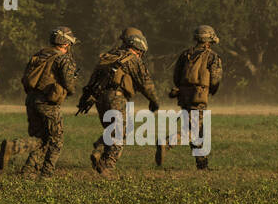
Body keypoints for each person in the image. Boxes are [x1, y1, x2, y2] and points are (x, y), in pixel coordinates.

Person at [0, 26, 79, 177]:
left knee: (41, 139)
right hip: (48, 103)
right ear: (66, 44)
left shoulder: (40, 54)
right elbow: (70, 85)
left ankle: (27, 169)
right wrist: (72, 83)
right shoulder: (63, 59)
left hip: (32, 100)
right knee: (56, 140)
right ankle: (46, 173)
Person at [82, 26, 159, 177]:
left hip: (100, 98)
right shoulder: (132, 59)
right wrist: (154, 101)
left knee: (113, 129)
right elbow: (146, 84)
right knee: (121, 133)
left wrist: (85, 99)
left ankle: (99, 150)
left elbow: (93, 79)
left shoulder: (109, 56)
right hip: (117, 97)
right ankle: (107, 167)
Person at [157, 25, 222, 170]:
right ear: (208, 40)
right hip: (199, 97)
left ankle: (202, 165)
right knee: (194, 131)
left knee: (195, 129)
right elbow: (215, 79)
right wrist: (210, 90)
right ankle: (167, 142)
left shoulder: (185, 54)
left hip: (184, 96)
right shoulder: (212, 57)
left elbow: (176, 77)